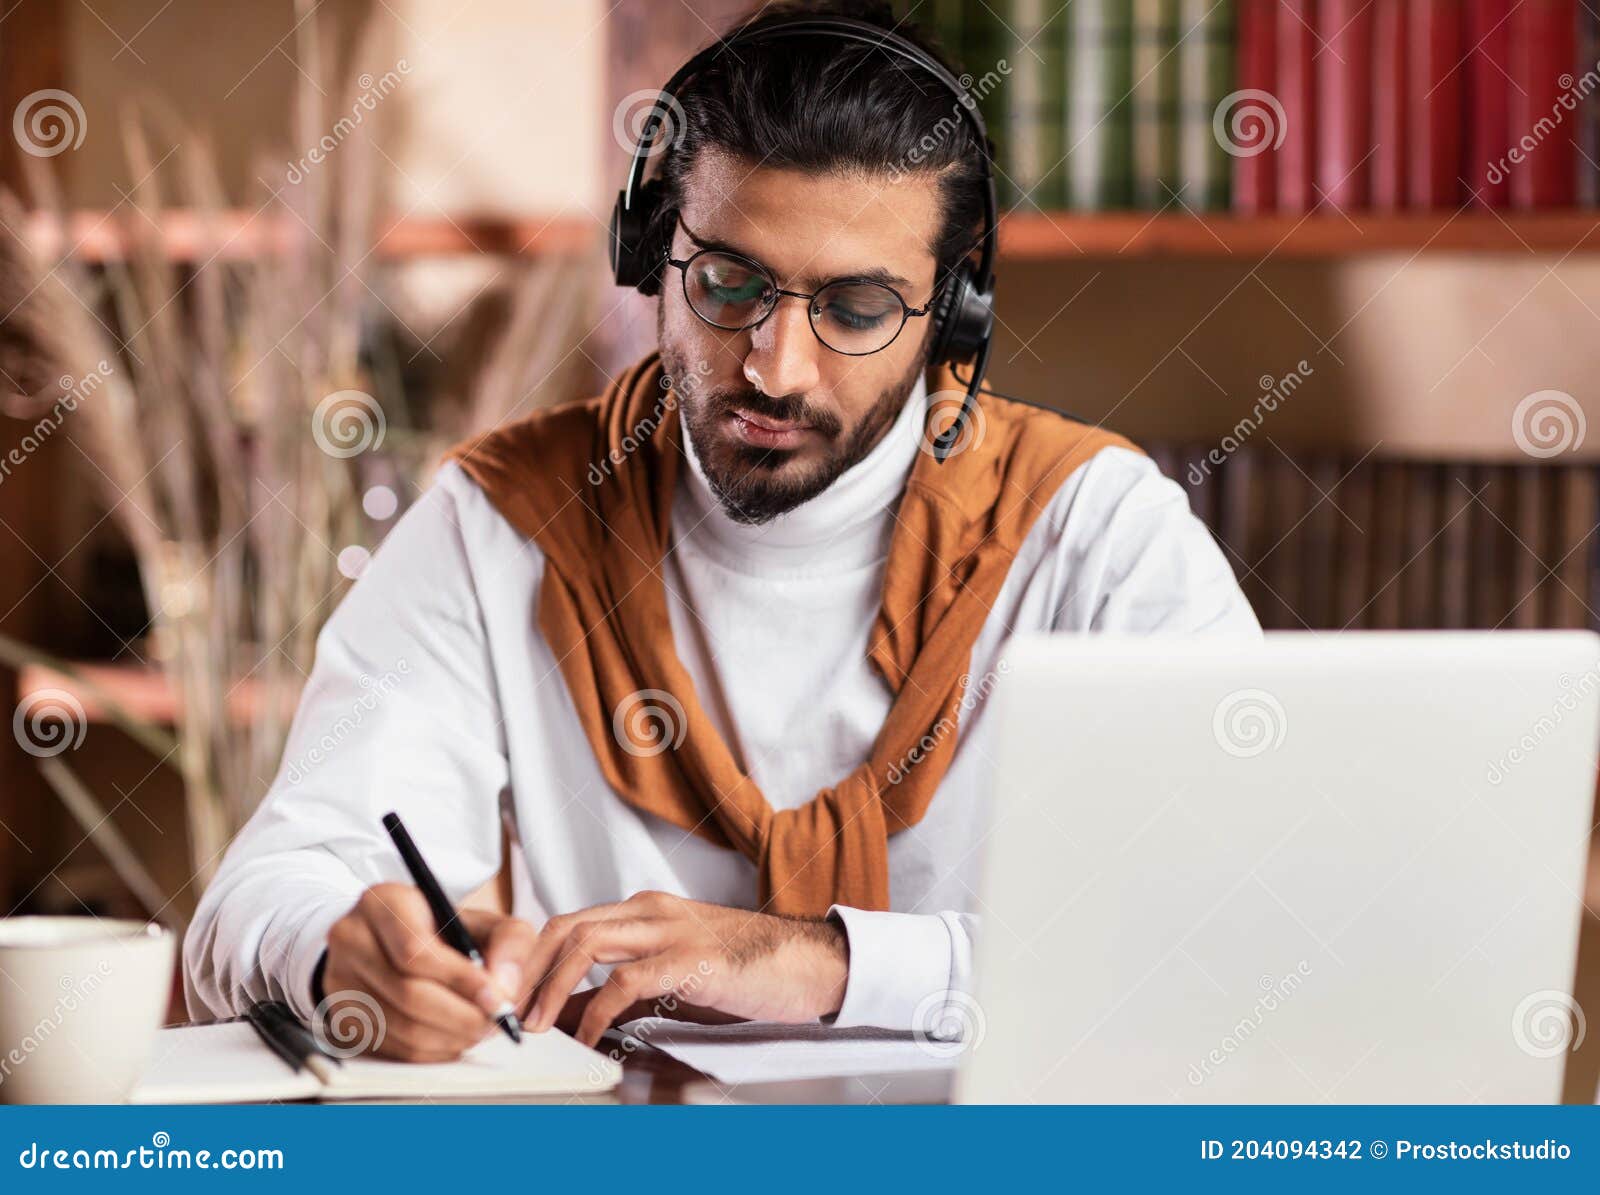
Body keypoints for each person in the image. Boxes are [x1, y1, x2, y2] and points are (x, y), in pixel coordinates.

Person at [184, 0, 1258, 1061]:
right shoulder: (499, 522)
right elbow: (258, 895)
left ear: (955, 309)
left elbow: (1240, 939)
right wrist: (335, 952)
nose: (772, 367)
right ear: (649, 249)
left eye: (854, 308)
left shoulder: (1101, 537)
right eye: (729, 282)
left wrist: (824, 965)